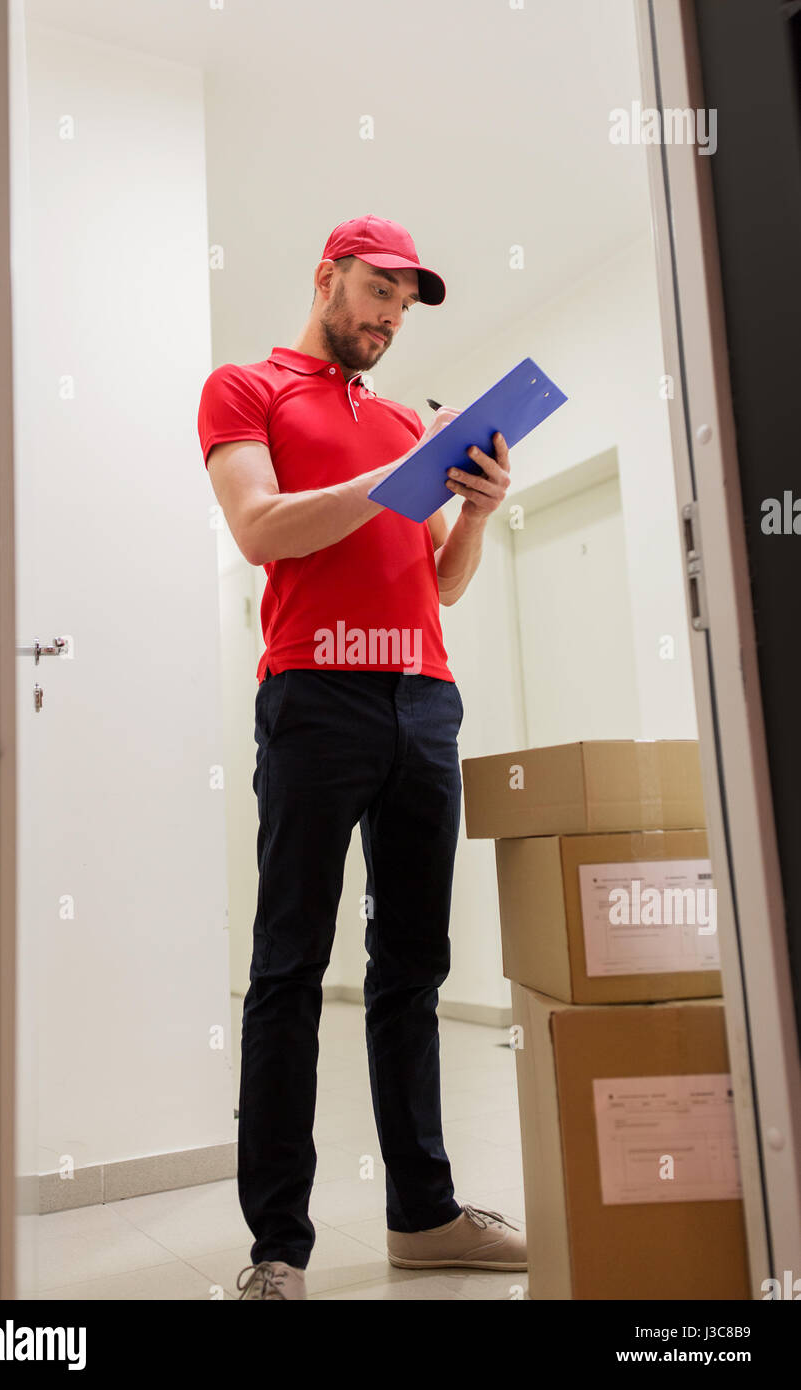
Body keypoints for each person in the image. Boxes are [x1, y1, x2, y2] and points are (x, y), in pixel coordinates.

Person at [198, 215, 525, 1301]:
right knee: (289, 964)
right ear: (327, 277)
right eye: (375, 290)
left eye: (403, 301)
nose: (387, 314)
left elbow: (439, 583)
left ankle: (423, 1216)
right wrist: (396, 472)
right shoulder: (246, 389)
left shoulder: (397, 418)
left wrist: (468, 508)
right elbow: (258, 527)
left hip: (422, 699)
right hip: (314, 691)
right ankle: (277, 1250)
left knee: (411, 968)